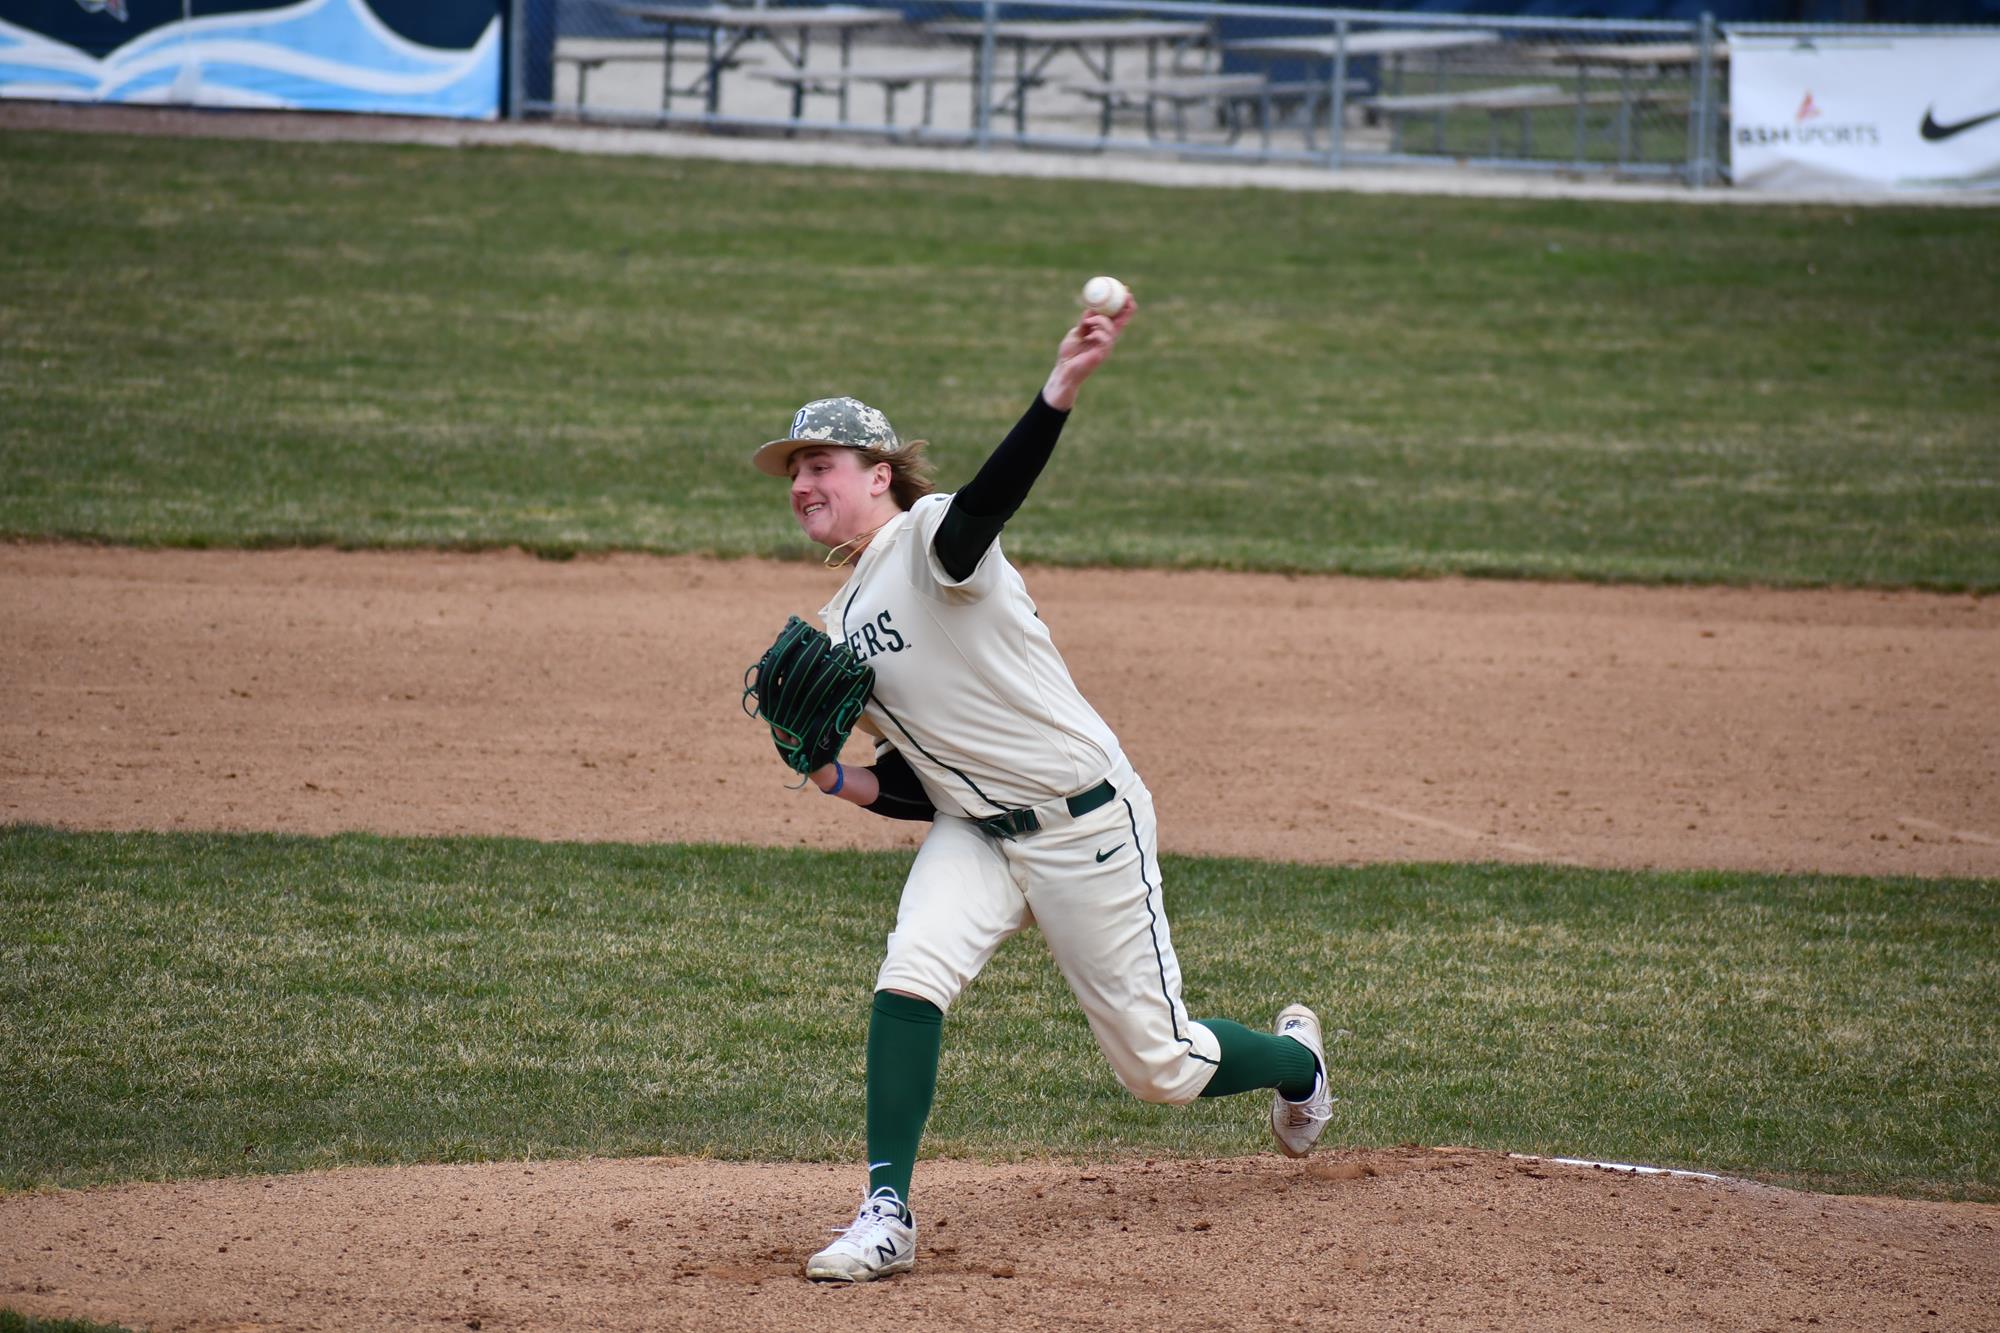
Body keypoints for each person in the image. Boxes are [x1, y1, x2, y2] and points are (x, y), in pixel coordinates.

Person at [750, 292, 1333, 1285]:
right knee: (909, 974)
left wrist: (1057, 388)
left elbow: (990, 501)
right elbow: (930, 776)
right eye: (793, 470)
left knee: (1158, 1068)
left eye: (820, 463)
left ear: (877, 474)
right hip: (977, 832)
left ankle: (1297, 1063)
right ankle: (886, 1211)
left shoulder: (932, 541)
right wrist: (836, 776)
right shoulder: (839, 622)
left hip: (1083, 824)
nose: (802, 482)